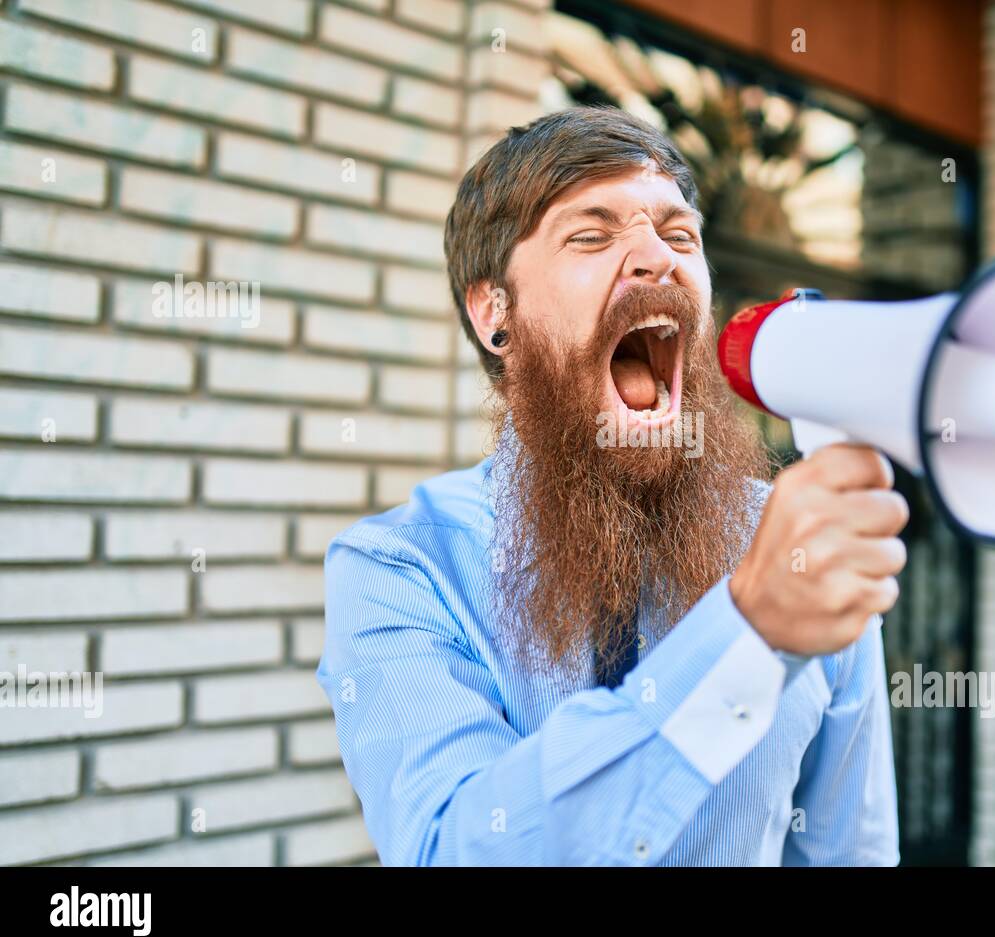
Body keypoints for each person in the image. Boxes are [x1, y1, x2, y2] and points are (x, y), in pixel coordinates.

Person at [317, 106, 909, 866]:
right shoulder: (397, 567)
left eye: (681, 235)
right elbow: (452, 848)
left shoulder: (794, 547)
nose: (657, 259)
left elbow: (848, 855)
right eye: (591, 236)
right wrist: (746, 633)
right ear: (494, 312)